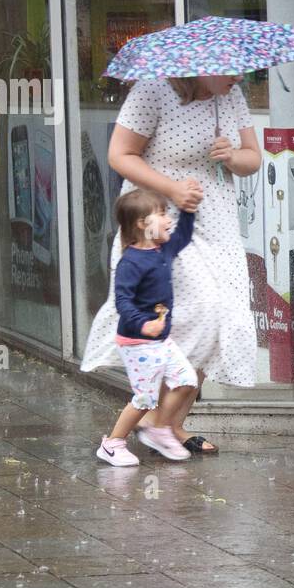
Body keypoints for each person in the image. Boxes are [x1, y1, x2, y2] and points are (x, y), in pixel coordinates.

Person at [81, 75, 261, 454]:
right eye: (228, 69)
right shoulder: (152, 91)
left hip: (218, 221)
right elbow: (120, 155)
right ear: (202, 68)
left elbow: (253, 158)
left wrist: (232, 157)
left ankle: (167, 423)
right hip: (162, 221)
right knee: (193, 315)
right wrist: (172, 189)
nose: (238, 76)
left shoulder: (231, 95)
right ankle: (156, 422)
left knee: (223, 318)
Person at [98, 189, 198, 466]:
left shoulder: (162, 250)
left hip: (161, 341)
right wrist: (143, 325)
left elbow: (184, 236)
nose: (169, 220)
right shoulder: (131, 262)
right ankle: (112, 444)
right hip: (137, 342)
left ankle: (159, 430)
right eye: (162, 214)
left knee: (186, 380)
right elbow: (123, 302)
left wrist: (189, 209)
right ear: (142, 224)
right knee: (144, 399)